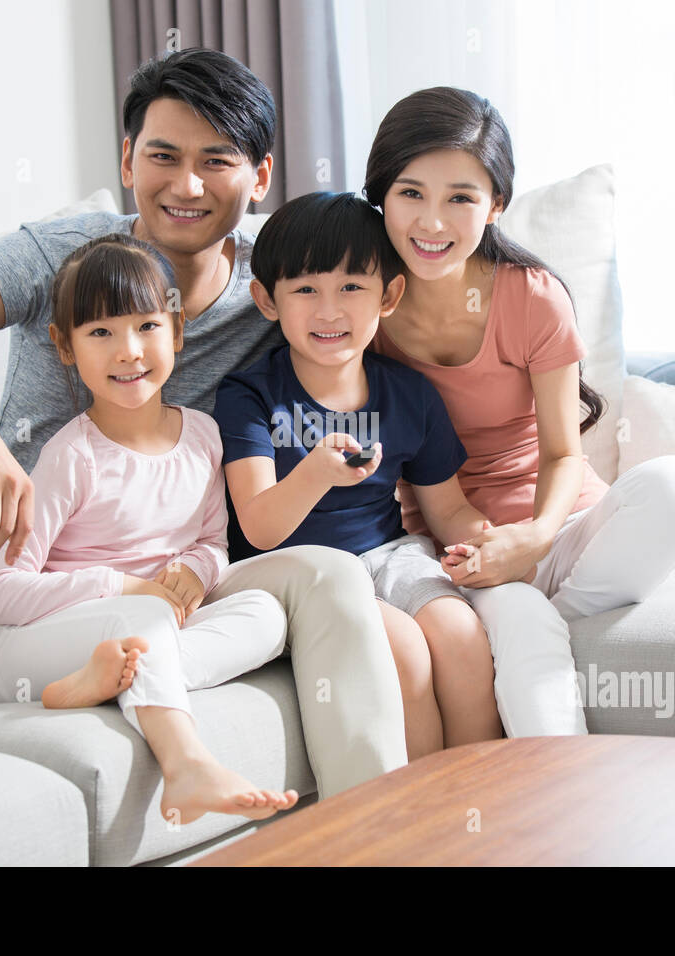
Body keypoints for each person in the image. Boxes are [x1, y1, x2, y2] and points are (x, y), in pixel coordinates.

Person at [0, 47, 407, 802]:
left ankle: (375, 821)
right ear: (128, 159)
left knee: (329, 576)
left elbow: (399, 325)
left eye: (215, 161)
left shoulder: (283, 283)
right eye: (163, 155)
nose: (185, 185)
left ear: (259, 179)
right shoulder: (69, 254)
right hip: (4, 569)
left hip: (169, 588)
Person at [362, 87, 675, 737]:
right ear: (380, 195)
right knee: (520, 615)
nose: (432, 223)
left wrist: (537, 535)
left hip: (561, 531)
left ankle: (541, 601)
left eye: (461, 198)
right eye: (411, 193)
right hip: (461, 553)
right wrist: (490, 555)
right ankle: (553, 770)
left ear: (496, 205)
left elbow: (562, 453)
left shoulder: (532, 298)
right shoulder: (360, 304)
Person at [0, 234, 296, 824]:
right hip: (19, 650)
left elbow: (211, 542)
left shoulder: (202, 435)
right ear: (64, 346)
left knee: (267, 616)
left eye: (146, 326)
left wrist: (196, 575)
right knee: (143, 621)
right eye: (100, 332)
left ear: (176, 332)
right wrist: (123, 588)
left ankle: (106, 680)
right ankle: (189, 767)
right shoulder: (72, 456)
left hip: (131, 633)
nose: (128, 351)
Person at [214, 192, 503, 761]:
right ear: (267, 301)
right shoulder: (249, 397)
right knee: (402, 650)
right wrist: (318, 471)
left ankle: (476, 812)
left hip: (387, 554)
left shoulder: (409, 394)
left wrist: (485, 540)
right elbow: (259, 527)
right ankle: (416, 822)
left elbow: (445, 509)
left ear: (389, 295)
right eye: (305, 290)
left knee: (462, 635)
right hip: (298, 573)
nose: (329, 311)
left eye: (351, 287)